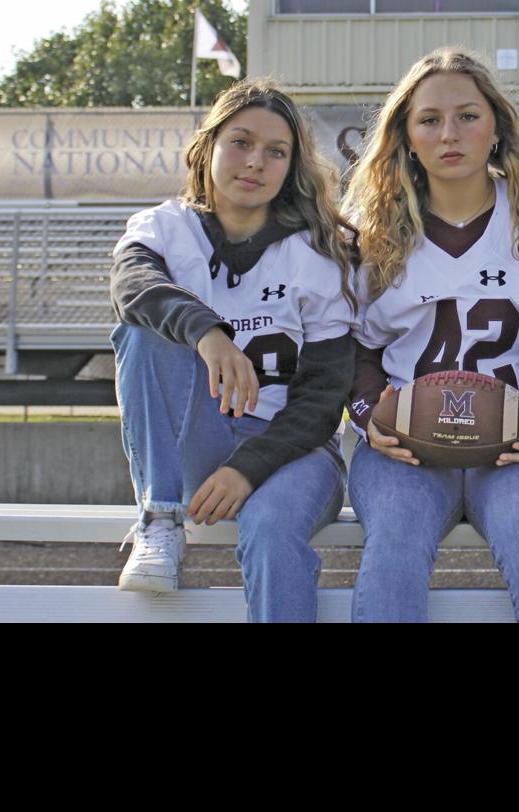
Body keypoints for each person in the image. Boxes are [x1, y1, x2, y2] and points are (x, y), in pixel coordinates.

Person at [342, 47, 519, 622]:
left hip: (518, 443)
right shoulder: (372, 237)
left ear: (498, 129)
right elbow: (353, 348)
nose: (449, 134)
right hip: (406, 447)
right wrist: (368, 417)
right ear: (406, 136)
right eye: (429, 120)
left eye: (468, 116)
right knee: (395, 543)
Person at [111, 79, 361, 622]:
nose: (255, 163)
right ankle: (160, 517)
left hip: (292, 453)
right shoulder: (165, 227)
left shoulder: (315, 253)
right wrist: (207, 333)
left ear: (292, 166)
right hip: (193, 444)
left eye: (276, 152)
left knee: (272, 529)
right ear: (208, 148)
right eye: (241, 142)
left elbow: (322, 398)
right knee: (141, 330)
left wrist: (248, 468)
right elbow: (132, 285)